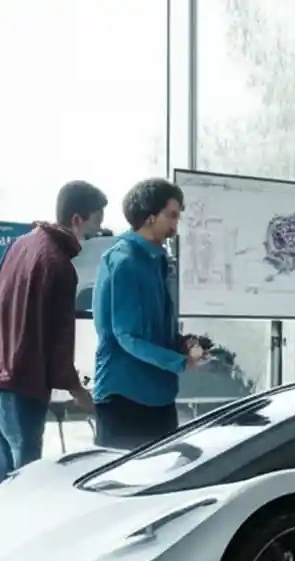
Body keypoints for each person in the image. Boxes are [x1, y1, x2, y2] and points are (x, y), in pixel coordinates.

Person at [0, 181, 106, 487]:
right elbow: (59, 340)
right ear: (77, 220)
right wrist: (79, 392)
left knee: (0, 485)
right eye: (93, 230)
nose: (94, 239)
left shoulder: (20, 244)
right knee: (25, 486)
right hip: (24, 383)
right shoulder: (58, 264)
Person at [92, 177, 209, 449]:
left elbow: (153, 327)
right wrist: (180, 362)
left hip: (159, 396)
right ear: (149, 217)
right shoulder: (124, 262)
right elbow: (127, 335)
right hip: (126, 398)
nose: (175, 225)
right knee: (124, 486)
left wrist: (183, 344)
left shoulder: (156, 260)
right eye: (171, 216)